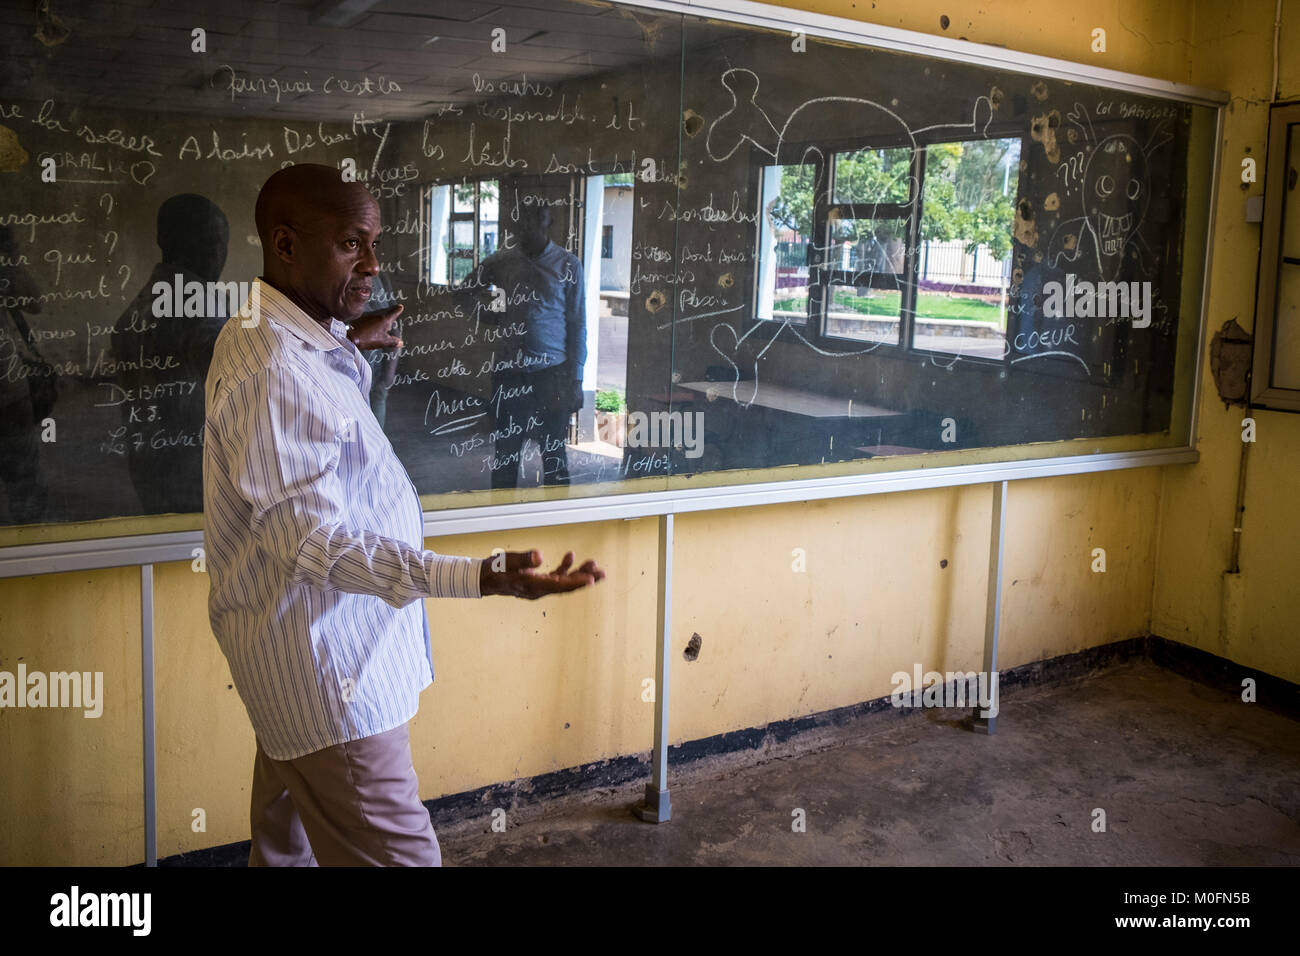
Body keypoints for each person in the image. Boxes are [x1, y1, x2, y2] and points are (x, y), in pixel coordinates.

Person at [202, 163, 604, 867]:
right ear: (287, 244)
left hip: (296, 664)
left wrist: (347, 347)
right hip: (332, 676)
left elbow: (307, 417)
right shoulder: (274, 367)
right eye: (352, 243)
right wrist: (479, 577)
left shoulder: (275, 334)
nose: (373, 265)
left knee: (286, 851)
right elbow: (316, 544)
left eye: (375, 242)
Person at [113, 194, 230, 514]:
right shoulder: (200, 305)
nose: (220, 253)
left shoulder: (139, 308)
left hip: (150, 467)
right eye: (215, 241)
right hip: (198, 473)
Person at [472, 203, 586, 488]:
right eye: (520, 224)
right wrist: (489, 314)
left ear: (546, 224)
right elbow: (467, 289)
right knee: (506, 452)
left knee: (554, 451)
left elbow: (577, 323)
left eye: (532, 223)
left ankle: (559, 521)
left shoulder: (568, 264)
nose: (523, 230)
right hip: (510, 373)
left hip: (552, 372)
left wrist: (577, 379)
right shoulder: (502, 262)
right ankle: (500, 520)